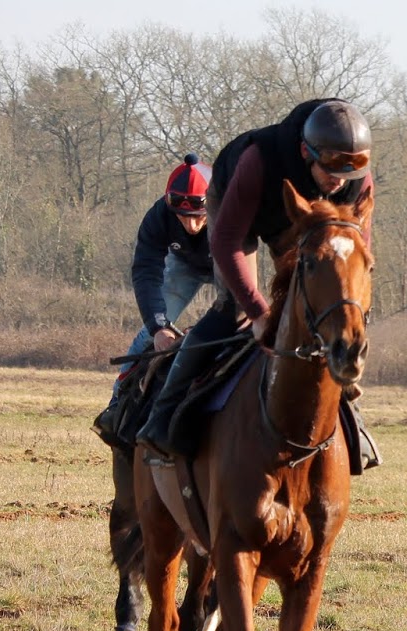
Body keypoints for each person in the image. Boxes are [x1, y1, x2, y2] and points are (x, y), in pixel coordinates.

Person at [135, 98, 374, 459]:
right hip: (242, 211)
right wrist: (260, 313)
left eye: (348, 174)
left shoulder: (356, 182)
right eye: (330, 171)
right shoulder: (257, 162)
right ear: (305, 152)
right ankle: (164, 415)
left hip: (307, 220)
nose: (339, 182)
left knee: (313, 307)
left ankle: (350, 423)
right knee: (235, 310)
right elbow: (226, 242)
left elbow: (358, 261)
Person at [93, 154, 216, 441]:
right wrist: (159, 325)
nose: (191, 226)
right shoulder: (158, 216)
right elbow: (147, 272)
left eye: (198, 217)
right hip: (184, 267)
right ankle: (117, 408)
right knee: (145, 338)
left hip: (228, 260)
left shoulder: (230, 211)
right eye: (182, 217)